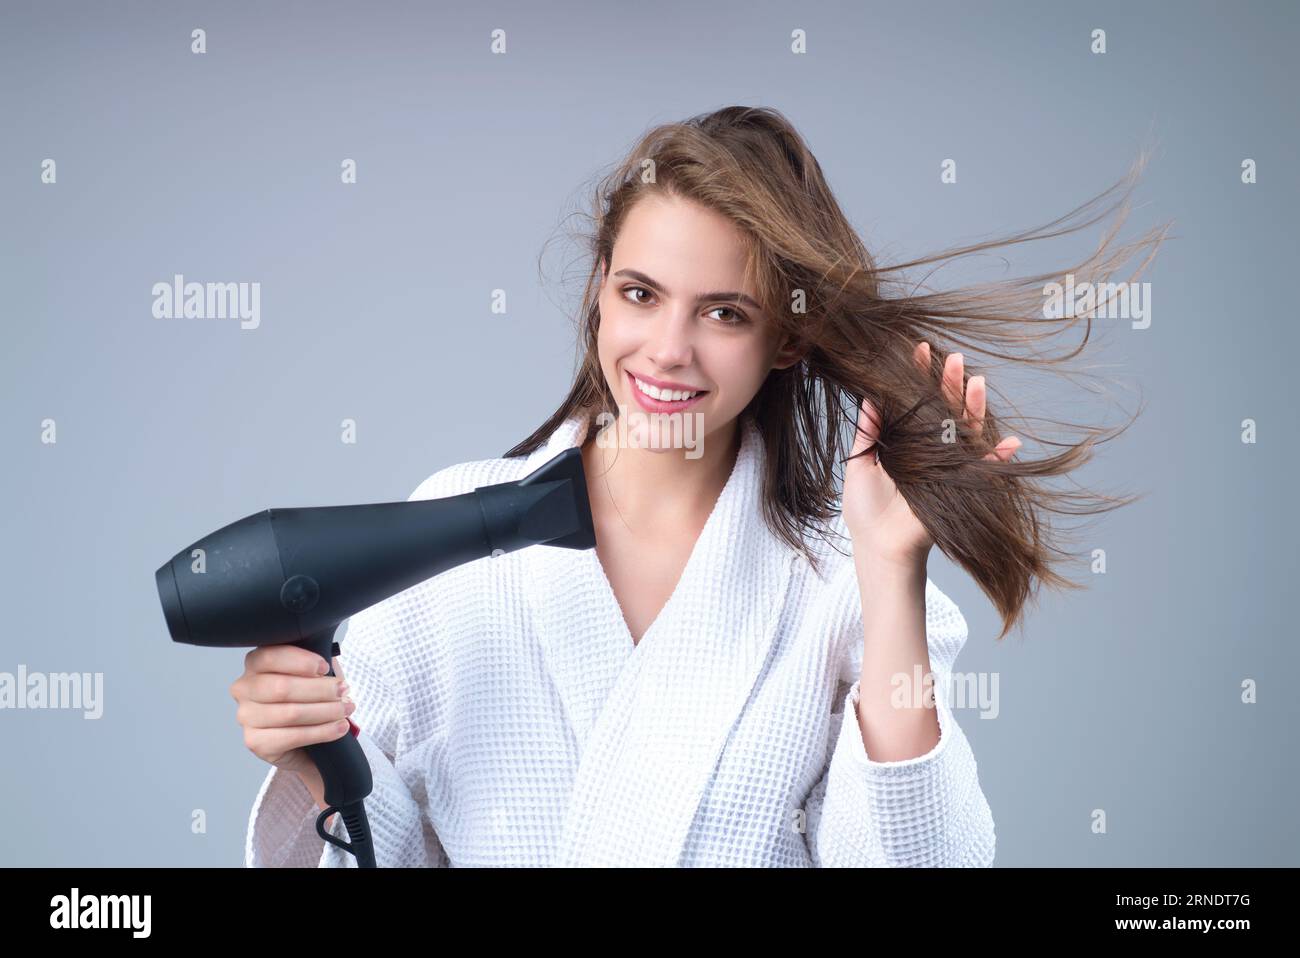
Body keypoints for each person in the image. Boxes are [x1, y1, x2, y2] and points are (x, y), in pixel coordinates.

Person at [233, 106, 1166, 867]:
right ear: (599, 287)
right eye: (640, 294)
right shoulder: (448, 541)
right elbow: (389, 849)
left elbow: (917, 865)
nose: (668, 352)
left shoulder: (840, 585)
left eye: (724, 312)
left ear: (788, 339)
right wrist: (316, 753)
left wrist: (889, 570)